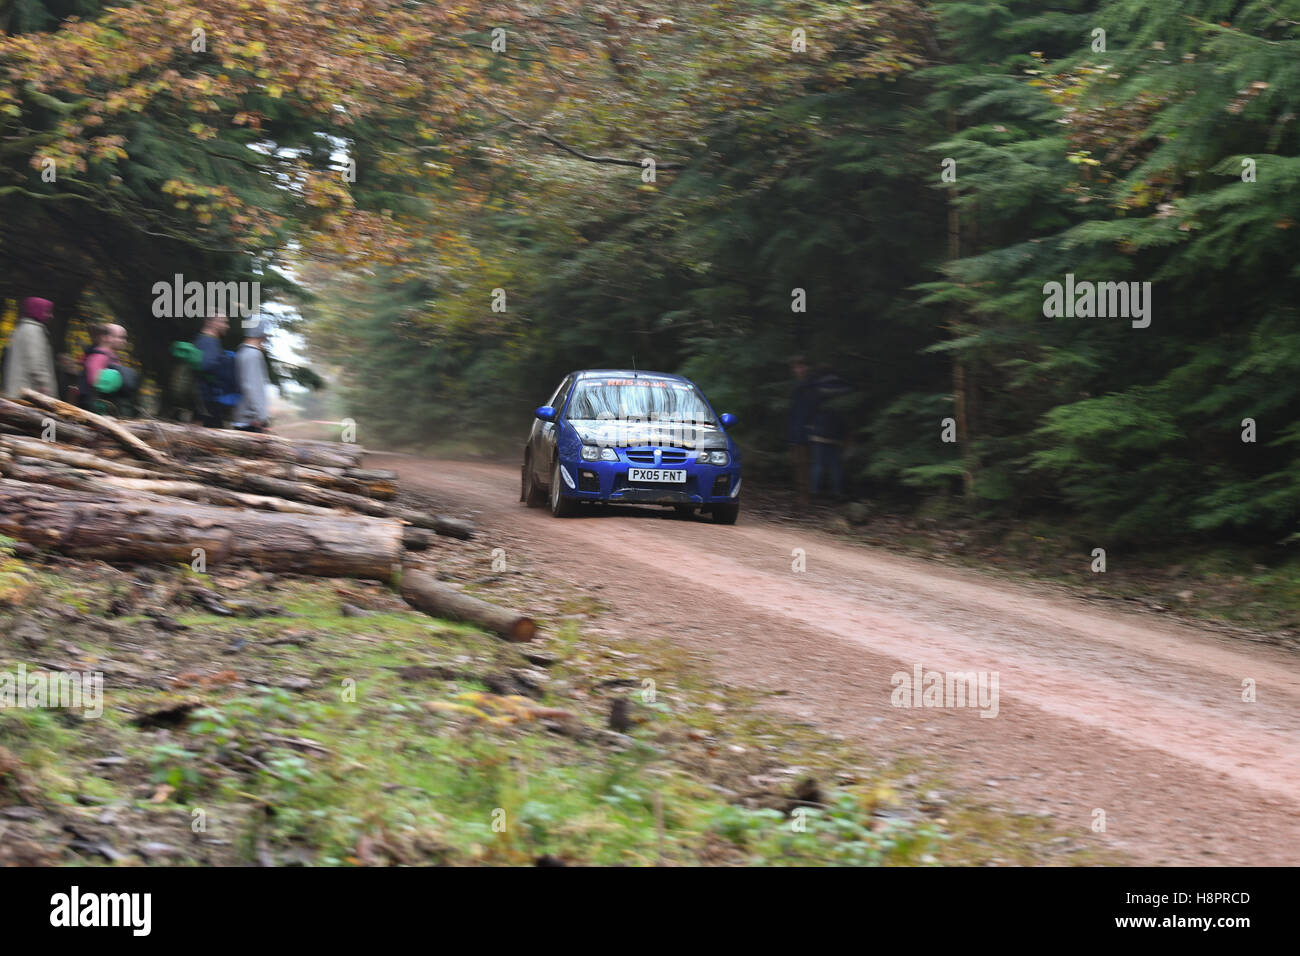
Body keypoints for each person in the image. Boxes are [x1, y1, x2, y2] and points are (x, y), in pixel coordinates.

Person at [2, 297, 57, 399]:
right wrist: (44, 386)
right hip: (29, 393)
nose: (51, 316)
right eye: (47, 312)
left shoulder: (20, 329)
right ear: (37, 310)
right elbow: (36, 363)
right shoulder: (34, 331)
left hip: (17, 390)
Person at [809, 365, 850, 502]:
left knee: (818, 465)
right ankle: (838, 493)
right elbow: (845, 414)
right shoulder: (843, 389)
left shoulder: (817, 388)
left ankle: (814, 493)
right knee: (836, 466)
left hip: (818, 434)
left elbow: (812, 410)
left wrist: (811, 427)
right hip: (835, 435)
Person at [78, 323, 137, 415]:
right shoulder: (99, 356)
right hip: (99, 411)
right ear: (104, 337)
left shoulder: (110, 357)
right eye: (121, 337)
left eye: (125, 338)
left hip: (108, 409)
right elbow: (94, 382)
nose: (124, 341)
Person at [786, 355, 816, 509]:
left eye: (802, 366)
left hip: (806, 432)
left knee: (805, 465)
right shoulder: (796, 386)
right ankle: (800, 496)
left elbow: (811, 409)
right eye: (796, 367)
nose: (799, 370)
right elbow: (794, 412)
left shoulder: (810, 386)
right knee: (797, 464)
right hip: (795, 431)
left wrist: (810, 427)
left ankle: (806, 497)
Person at [193, 313, 233, 426]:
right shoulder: (209, 342)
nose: (227, 326)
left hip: (204, 401)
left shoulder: (202, 339)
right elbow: (207, 366)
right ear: (212, 323)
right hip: (208, 402)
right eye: (224, 322)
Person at [233, 318, 271, 432]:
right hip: (250, 420)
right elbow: (251, 386)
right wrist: (261, 416)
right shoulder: (253, 354)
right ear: (261, 334)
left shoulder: (241, 352)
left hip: (242, 416)